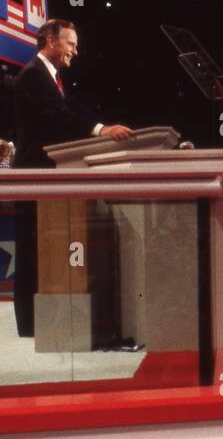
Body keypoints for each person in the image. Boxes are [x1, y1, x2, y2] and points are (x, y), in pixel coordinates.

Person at [11, 18, 133, 337]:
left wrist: (101, 125)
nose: (75, 51)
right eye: (70, 43)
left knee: (40, 248)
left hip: (45, 176)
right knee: (30, 250)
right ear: (51, 42)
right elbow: (59, 118)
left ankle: (37, 322)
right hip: (33, 177)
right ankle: (28, 325)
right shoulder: (32, 77)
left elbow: (72, 110)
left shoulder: (50, 77)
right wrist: (101, 130)